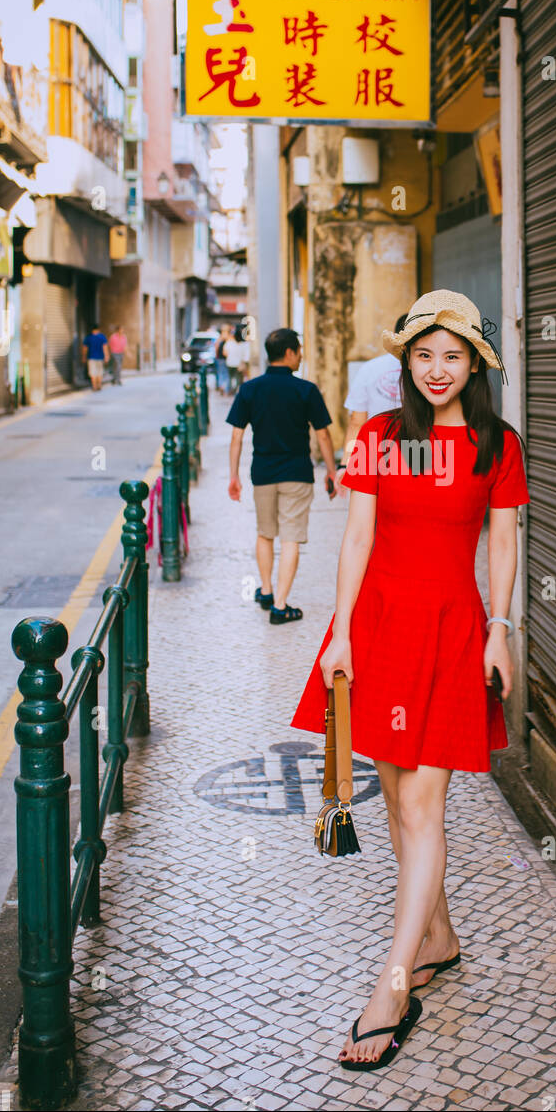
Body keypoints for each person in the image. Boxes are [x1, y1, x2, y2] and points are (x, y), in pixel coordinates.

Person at [289, 290, 529, 1071]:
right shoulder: (383, 437)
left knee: (423, 806)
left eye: (452, 356)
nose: (436, 369)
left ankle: (394, 988)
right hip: (381, 630)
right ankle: (441, 937)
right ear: (405, 362)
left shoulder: (496, 444)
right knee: (394, 799)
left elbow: (503, 542)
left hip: (450, 633)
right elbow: (357, 534)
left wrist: (501, 630)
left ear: (474, 365)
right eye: (423, 355)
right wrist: (341, 634)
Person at [227, 328, 337, 623]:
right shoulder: (306, 390)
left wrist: (233, 476)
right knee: (290, 539)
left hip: (262, 473)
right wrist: (331, 470)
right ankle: (280, 605)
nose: (300, 355)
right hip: (297, 474)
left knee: (264, 533)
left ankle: (265, 590)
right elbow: (323, 436)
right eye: (298, 350)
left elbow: (237, 437)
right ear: (289, 352)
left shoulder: (249, 389)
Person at [338, 314, 404, 484]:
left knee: (369, 504)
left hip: (375, 452)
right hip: (418, 453)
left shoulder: (370, 369)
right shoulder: (432, 372)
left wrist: (345, 464)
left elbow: (356, 422)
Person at [82, 322, 109, 391]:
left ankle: (94, 386)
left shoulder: (88, 337)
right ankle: (99, 385)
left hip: (91, 357)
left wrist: (84, 357)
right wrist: (106, 356)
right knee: (99, 372)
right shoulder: (102, 337)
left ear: (92, 330)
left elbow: (85, 348)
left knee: (92, 372)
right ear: (98, 329)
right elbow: (105, 347)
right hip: (100, 357)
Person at [224, 329, 248, 393]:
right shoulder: (243, 344)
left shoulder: (229, 343)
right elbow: (245, 356)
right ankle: (237, 391)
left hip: (230, 363)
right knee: (238, 379)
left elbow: (225, 353)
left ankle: (230, 390)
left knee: (230, 377)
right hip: (238, 364)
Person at [214, 325, 232, 396]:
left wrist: (216, 356)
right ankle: (226, 389)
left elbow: (216, 348)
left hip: (219, 358)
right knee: (226, 374)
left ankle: (221, 386)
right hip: (224, 358)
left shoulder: (220, 338)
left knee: (221, 374)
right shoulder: (229, 338)